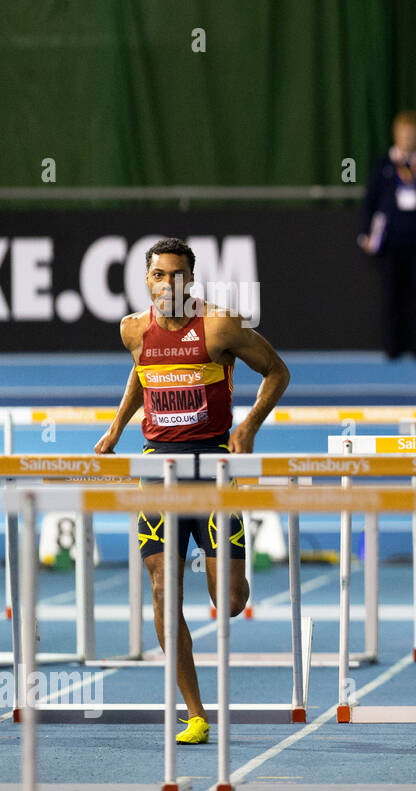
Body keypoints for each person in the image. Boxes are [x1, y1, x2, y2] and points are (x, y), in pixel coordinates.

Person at [95, 237, 291, 744]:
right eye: (159, 275)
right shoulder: (133, 330)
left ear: (191, 280)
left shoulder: (222, 325)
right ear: (147, 280)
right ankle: (196, 712)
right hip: (158, 466)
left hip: (214, 468)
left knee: (227, 598)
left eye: (178, 275)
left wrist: (248, 426)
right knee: (163, 590)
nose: (168, 284)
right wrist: (117, 429)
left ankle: (227, 573)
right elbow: (142, 374)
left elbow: (277, 371)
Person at [360, 110, 416, 359]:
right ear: (396, 134)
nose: (409, 138)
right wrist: (365, 233)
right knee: (392, 294)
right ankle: (393, 346)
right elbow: (371, 201)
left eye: (413, 134)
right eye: (404, 134)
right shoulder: (384, 165)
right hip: (390, 242)